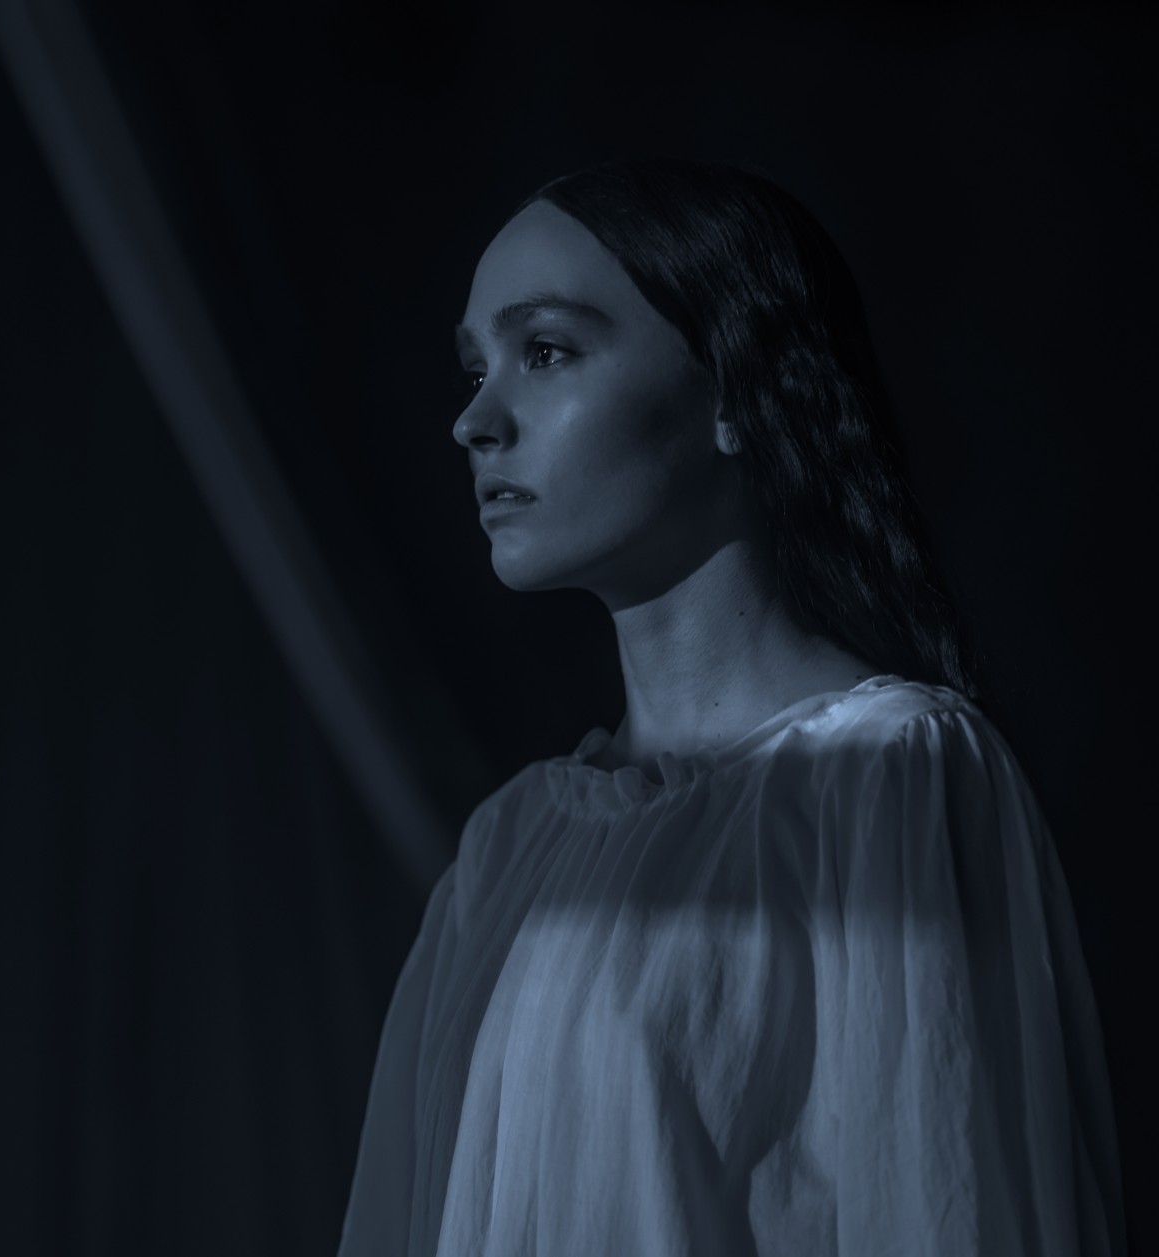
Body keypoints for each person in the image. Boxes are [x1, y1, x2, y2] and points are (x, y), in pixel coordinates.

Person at [336, 158, 1125, 1256]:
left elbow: (949, 1208)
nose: (474, 420)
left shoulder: (885, 779)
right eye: (476, 367)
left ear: (735, 394)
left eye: (546, 351)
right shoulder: (505, 849)